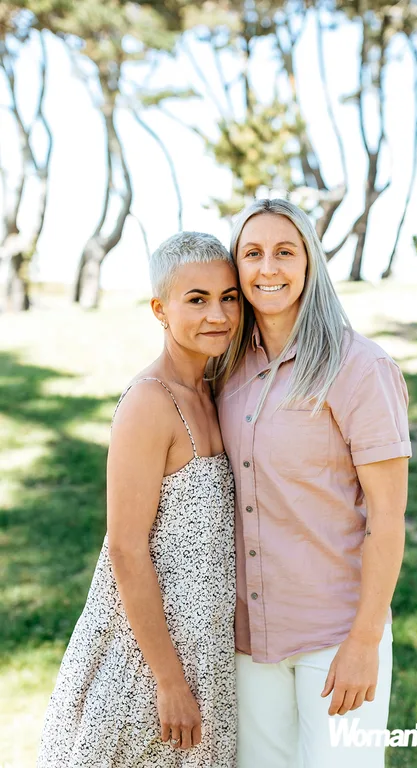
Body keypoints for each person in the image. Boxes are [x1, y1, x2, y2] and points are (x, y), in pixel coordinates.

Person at [214, 199, 412, 768]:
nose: (268, 268)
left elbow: (387, 518)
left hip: (335, 632)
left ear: (309, 262)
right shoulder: (226, 368)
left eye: (285, 252)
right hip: (250, 637)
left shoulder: (360, 368)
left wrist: (364, 641)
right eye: (252, 254)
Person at [37, 232, 241, 768]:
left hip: (208, 649)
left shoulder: (215, 390)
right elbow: (125, 549)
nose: (217, 314)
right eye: (196, 299)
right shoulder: (149, 403)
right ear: (160, 309)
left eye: (228, 297)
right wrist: (168, 682)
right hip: (147, 658)